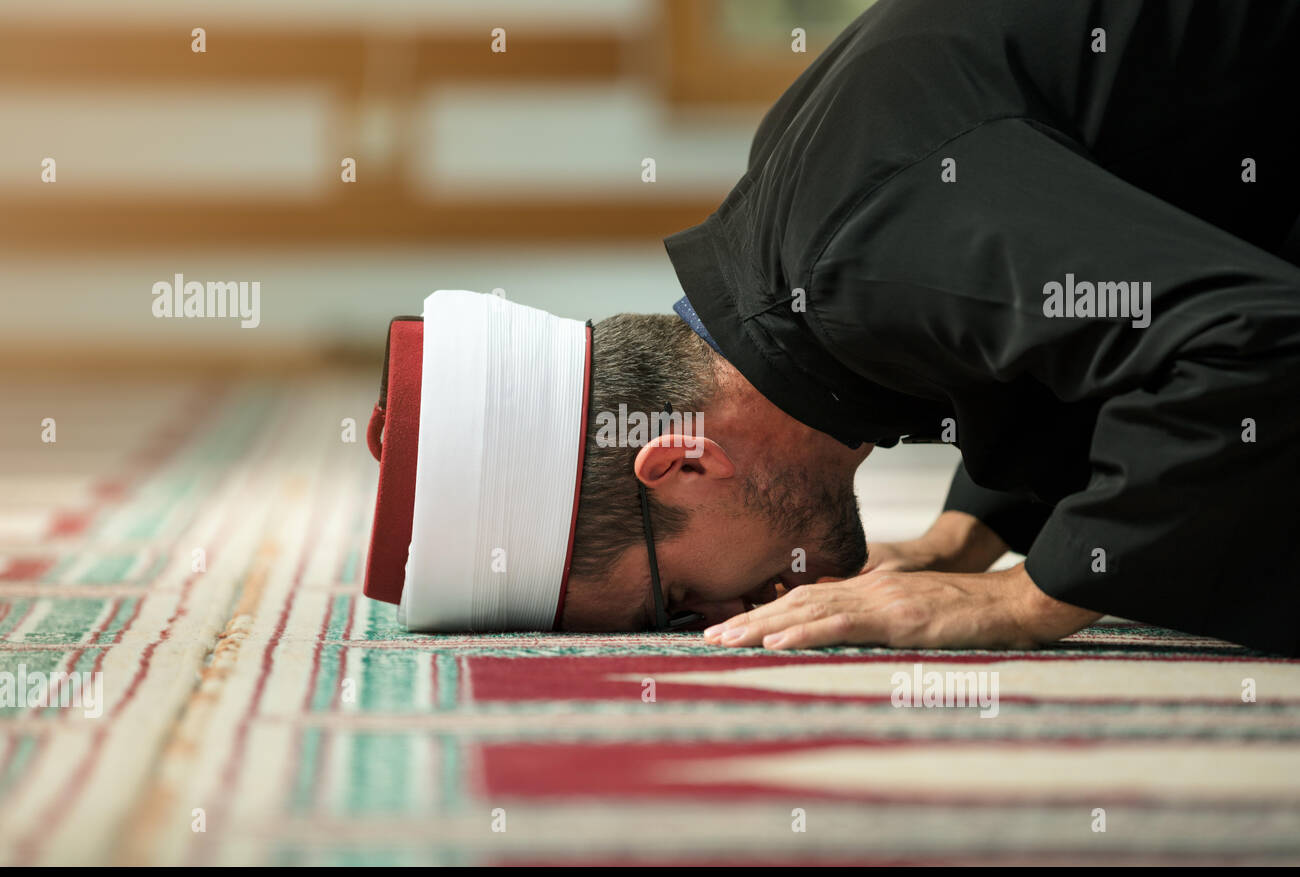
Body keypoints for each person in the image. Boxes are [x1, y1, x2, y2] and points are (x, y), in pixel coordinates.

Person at [366, 0, 1300, 654]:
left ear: (684, 461)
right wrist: (965, 536)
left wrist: (1029, 597)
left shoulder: (875, 241)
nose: (737, 611)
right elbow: (1036, 304)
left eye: (680, 598)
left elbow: (1252, 339)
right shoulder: (805, 248)